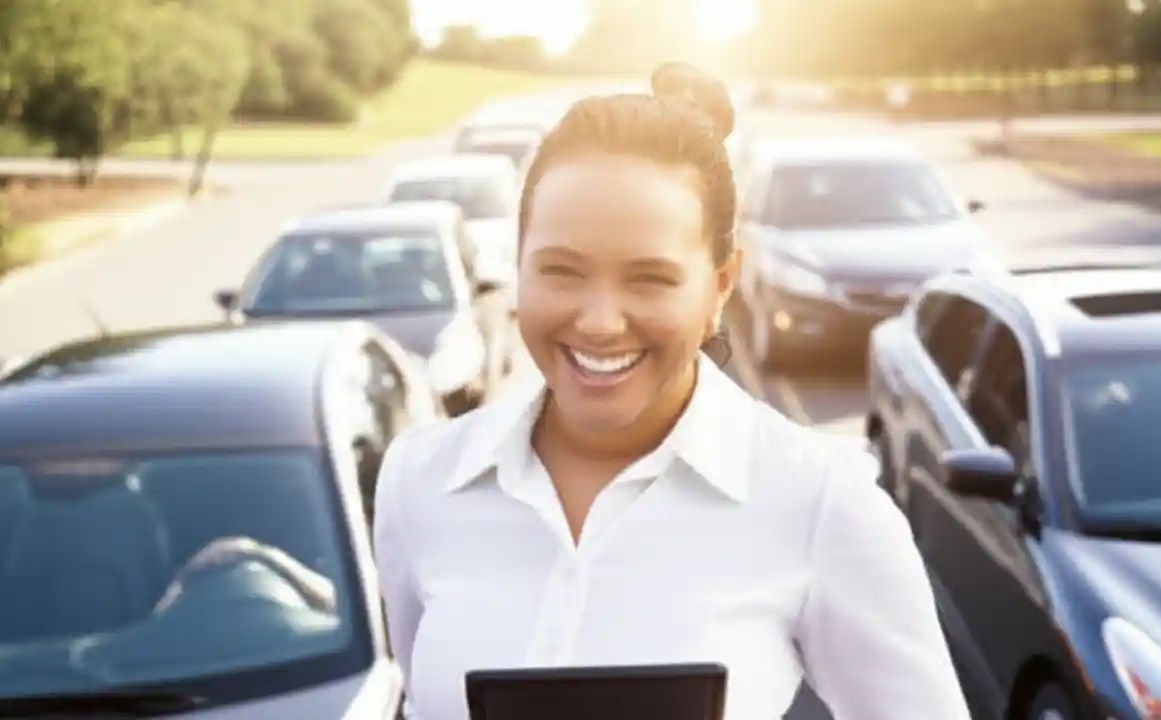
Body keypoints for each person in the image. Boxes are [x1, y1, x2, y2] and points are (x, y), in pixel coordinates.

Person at [373, 64, 970, 720]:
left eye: (650, 279)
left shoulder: (823, 502)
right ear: (518, 267)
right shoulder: (418, 484)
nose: (599, 321)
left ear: (719, 288)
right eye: (562, 270)